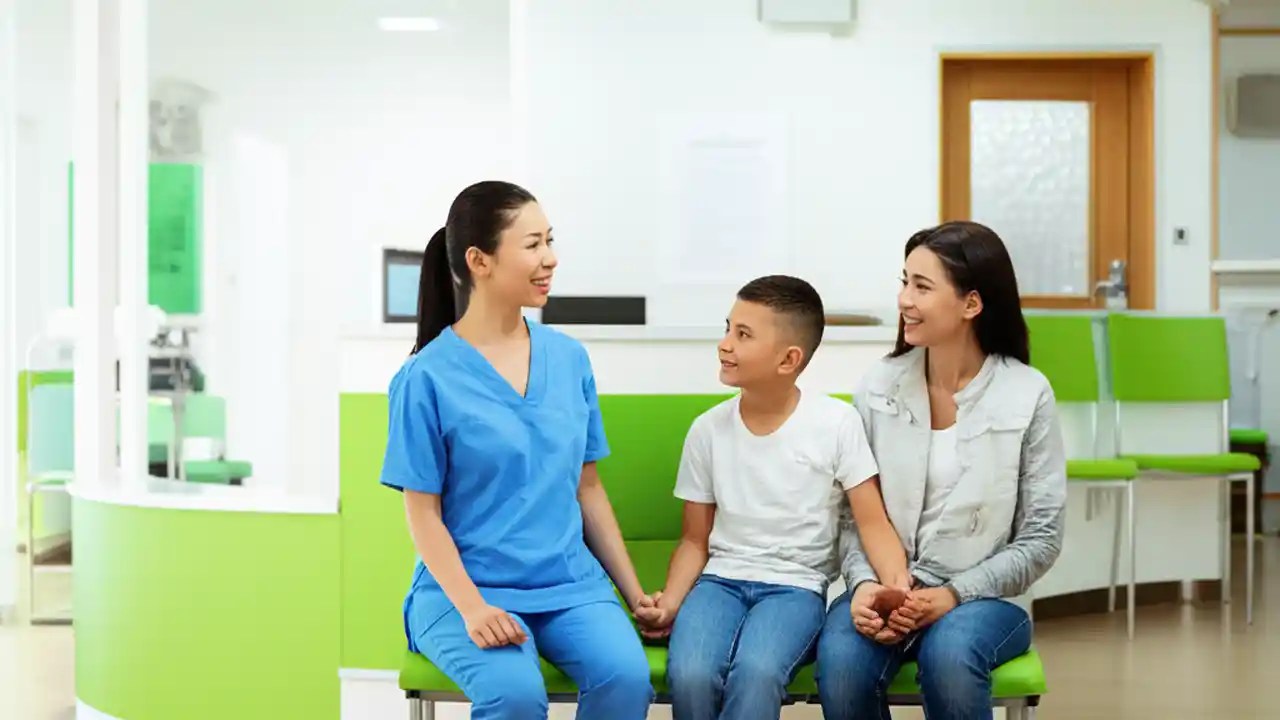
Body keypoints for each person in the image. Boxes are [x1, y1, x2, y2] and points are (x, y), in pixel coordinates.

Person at [379, 181, 656, 720]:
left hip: (569, 584)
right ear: (479, 260)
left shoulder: (569, 358)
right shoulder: (425, 378)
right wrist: (473, 607)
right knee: (515, 698)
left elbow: (587, 488)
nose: (549, 259)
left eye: (550, 241)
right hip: (465, 588)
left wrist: (633, 592)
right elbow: (423, 516)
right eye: (532, 245)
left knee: (625, 678)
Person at [816, 221, 1068, 720]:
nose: (905, 299)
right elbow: (852, 517)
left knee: (950, 657)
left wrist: (953, 594)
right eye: (904, 281)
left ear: (971, 304)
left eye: (922, 286)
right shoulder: (877, 387)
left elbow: (1041, 539)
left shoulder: (1028, 393)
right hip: (887, 586)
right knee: (843, 663)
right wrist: (867, 585)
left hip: (987, 599)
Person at [637, 275, 911, 720]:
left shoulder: (837, 423)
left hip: (794, 588)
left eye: (743, 335)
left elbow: (873, 522)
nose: (724, 344)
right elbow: (694, 541)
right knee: (690, 673)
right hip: (718, 582)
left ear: (789, 359)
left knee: (757, 673)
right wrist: (670, 600)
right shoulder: (707, 430)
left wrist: (896, 587)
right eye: (728, 328)